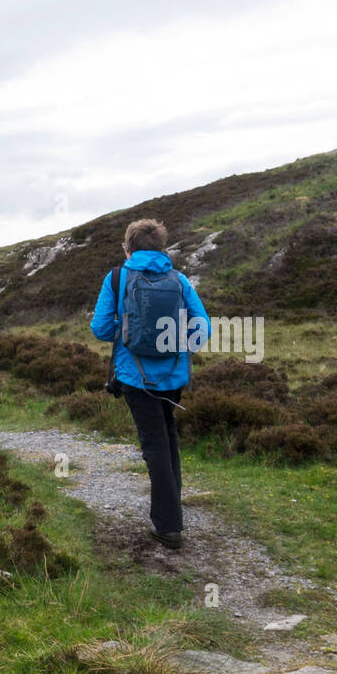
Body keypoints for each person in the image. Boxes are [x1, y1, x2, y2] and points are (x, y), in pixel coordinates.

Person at [91, 219, 210, 550]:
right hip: (173, 375)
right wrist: (173, 343)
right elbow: (203, 330)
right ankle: (172, 509)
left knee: (154, 444)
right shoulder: (179, 279)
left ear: (127, 247)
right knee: (168, 436)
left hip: (134, 375)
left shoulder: (117, 278)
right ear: (162, 247)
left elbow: (100, 329)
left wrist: (129, 329)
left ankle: (168, 526)